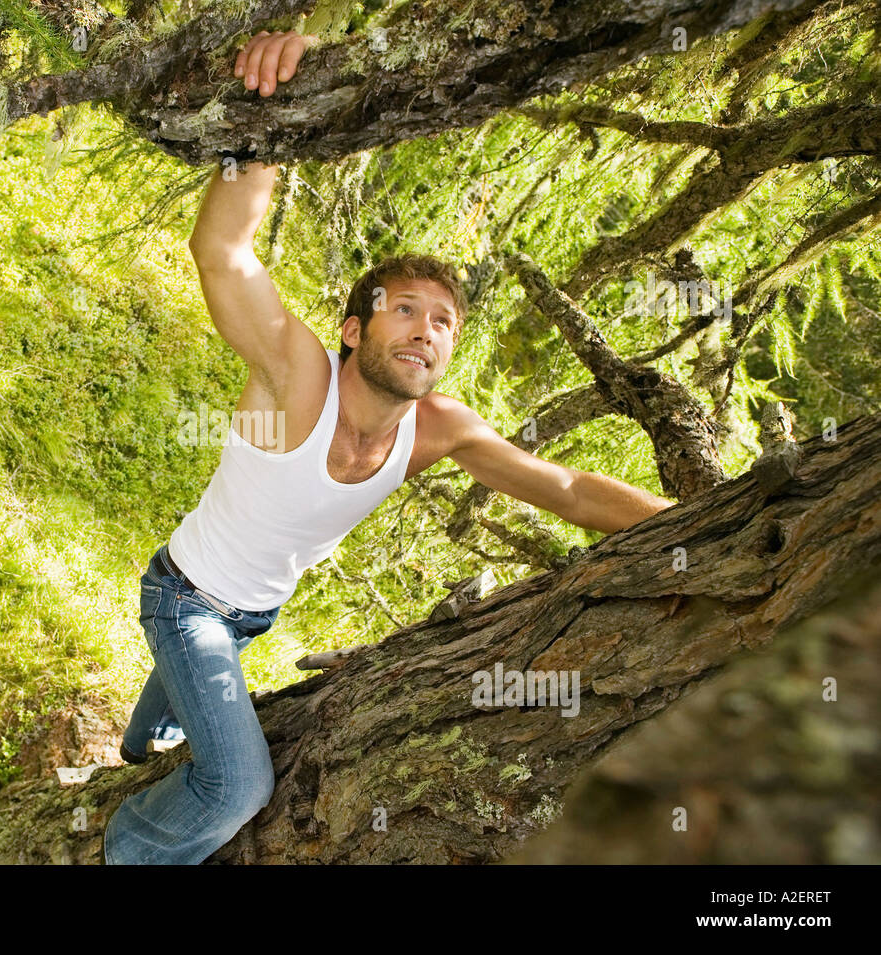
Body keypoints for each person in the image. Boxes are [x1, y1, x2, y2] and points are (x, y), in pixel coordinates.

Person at [102, 30, 673, 865]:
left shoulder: (440, 427)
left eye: (444, 322)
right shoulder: (297, 374)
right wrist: (272, 116)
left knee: (181, 699)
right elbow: (222, 253)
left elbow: (569, 489)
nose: (427, 330)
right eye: (406, 309)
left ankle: (139, 735)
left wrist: (691, 523)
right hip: (187, 597)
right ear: (354, 328)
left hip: (254, 615)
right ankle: (120, 849)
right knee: (235, 788)